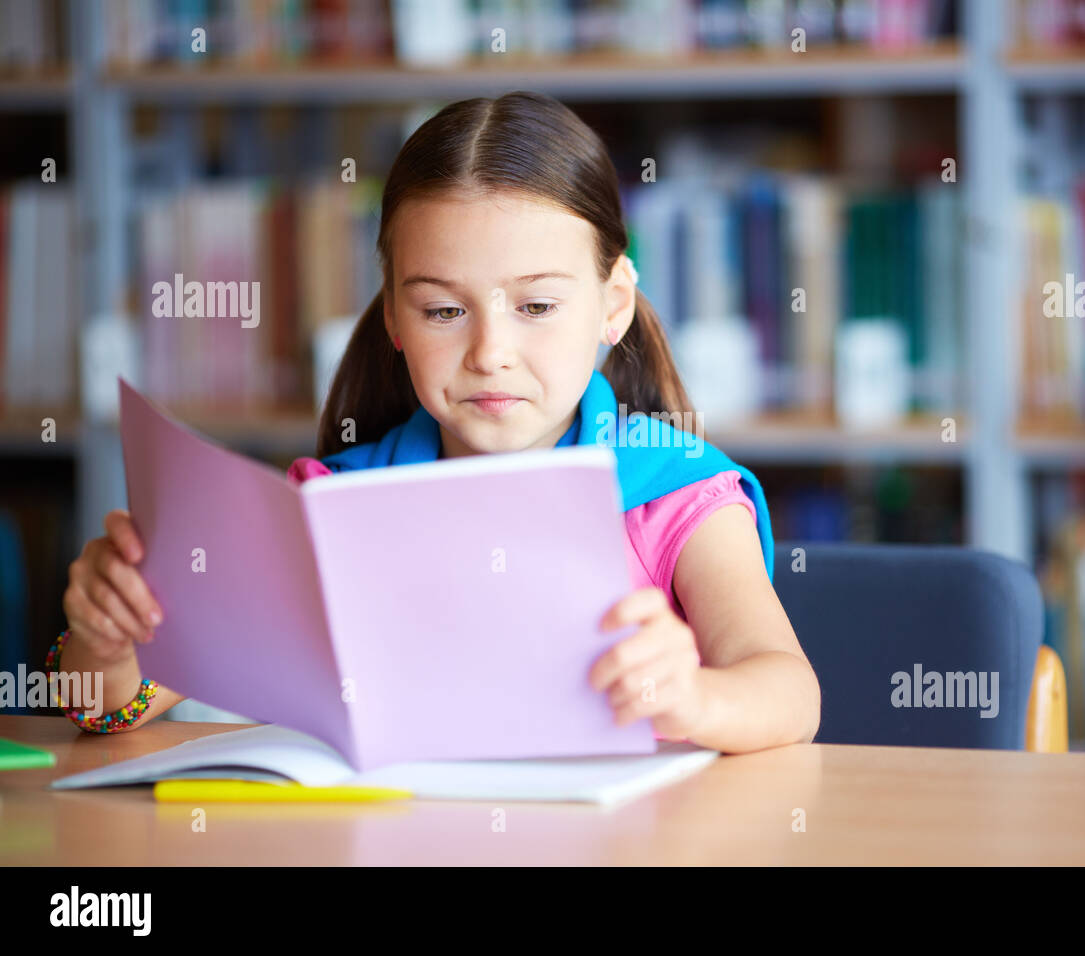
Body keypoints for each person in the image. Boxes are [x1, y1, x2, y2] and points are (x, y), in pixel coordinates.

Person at [57, 91, 820, 753]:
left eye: (537, 307)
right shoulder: (330, 507)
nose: (491, 353)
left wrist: (696, 698)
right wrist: (105, 635)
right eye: (444, 310)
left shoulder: (679, 498)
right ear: (394, 314)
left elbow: (790, 693)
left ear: (612, 303)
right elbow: (110, 708)